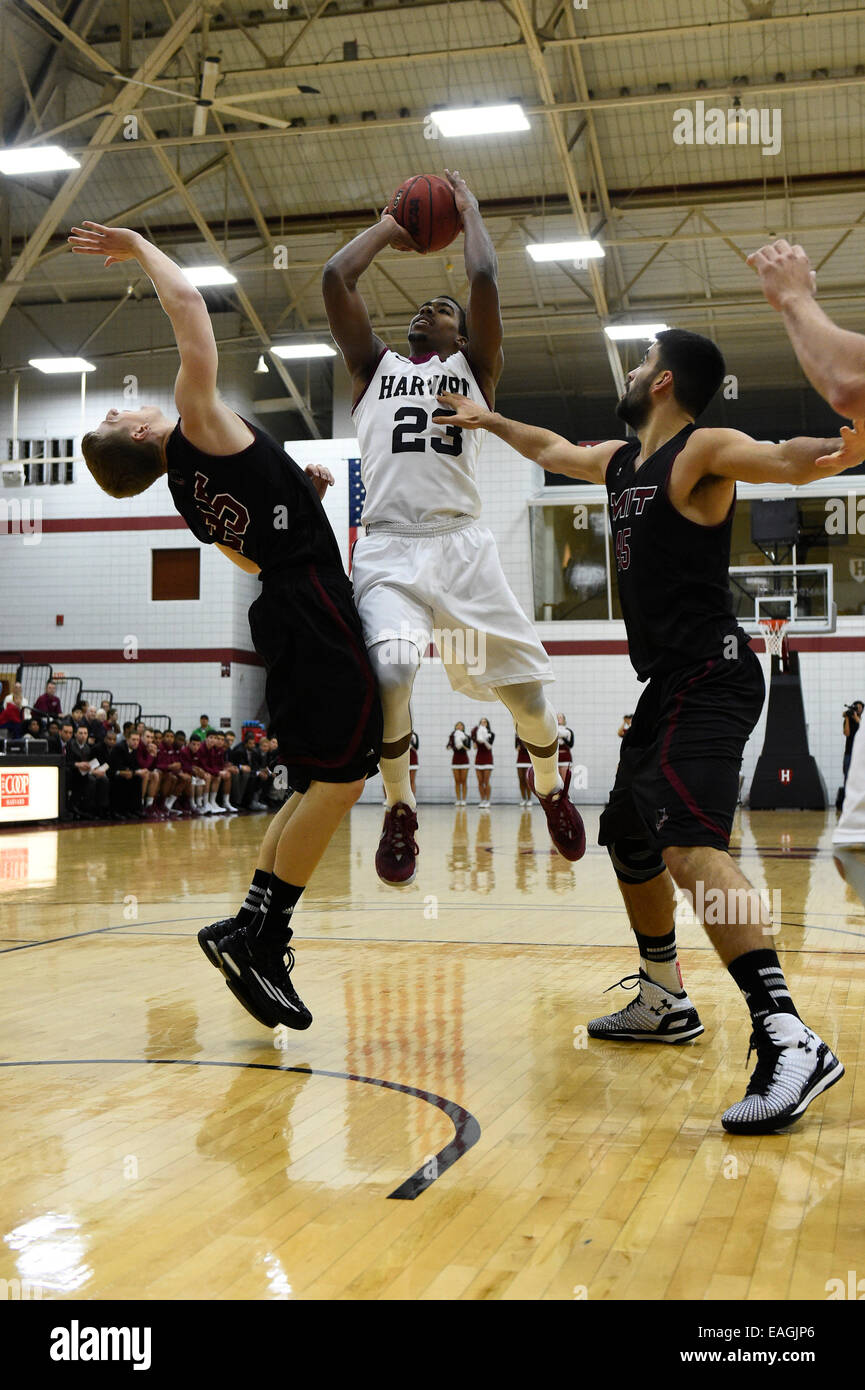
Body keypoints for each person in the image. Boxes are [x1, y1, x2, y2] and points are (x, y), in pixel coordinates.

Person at [434, 325, 864, 1133]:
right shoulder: (620, 462)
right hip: (667, 682)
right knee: (630, 839)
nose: (629, 372)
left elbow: (784, 457)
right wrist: (490, 421)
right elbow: (554, 449)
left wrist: (849, 441)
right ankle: (663, 997)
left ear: (663, 381)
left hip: (711, 671)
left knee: (685, 845)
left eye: (639, 362)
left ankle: (788, 1035)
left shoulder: (703, 449)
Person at [72, 217, 382, 1032]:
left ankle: (255, 925)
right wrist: (138, 245)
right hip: (310, 603)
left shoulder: (186, 487)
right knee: (345, 778)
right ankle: (265, 932)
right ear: (141, 434)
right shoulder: (193, 417)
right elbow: (190, 308)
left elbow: (247, 555)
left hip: (283, 599)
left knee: (319, 781)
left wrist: (301, 504)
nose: (124, 405)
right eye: (117, 414)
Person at [322, 167, 585, 887]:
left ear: (461, 334)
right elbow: (334, 280)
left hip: (462, 545)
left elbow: (484, 279)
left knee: (528, 702)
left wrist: (467, 209)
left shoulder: (476, 368)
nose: (426, 311)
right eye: (422, 308)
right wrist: (387, 225)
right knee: (392, 670)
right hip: (386, 546)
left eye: (440, 308)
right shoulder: (370, 366)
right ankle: (400, 806)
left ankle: (549, 786)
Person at [471, 718, 494, 805]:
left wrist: (483, 739)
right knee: (480, 781)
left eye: (485, 722)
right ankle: (482, 800)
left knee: (486, 781)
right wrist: (475, 739)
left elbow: (489, 747)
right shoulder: (477, 735)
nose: (483, 723)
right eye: (481, 722)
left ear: (487, 724)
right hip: (479, 758)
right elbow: (475, 747)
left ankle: (487, 800)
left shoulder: (491, 734)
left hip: (488, 758)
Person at [447, 722, 470, 806]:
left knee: (463, 781)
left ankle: (463, 799)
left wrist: (461, 744)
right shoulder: (452, 736)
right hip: (455, 760)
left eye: (461, 725)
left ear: (463, 727)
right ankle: (458, 799)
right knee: (457, 781)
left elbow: (468, 748)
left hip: (464, 760)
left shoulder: (467, 737)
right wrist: (451, 746)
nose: (459, 726)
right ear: (455, 727)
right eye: (457, 725)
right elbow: (448, 746)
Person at [515, 735, 531, 807]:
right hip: (520, 759)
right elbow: (517, 747)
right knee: (521, 779)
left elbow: (530, 748)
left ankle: (529, 799)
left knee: (527, 780)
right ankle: (523, 799)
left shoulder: (530, 735)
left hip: (528, 759)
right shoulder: (517, 735)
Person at [408, 730, 419, 800]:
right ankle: (405, 798)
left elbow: (416, 747)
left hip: (413, 758)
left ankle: (412, 798)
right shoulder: (401, 733)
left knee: (412, 780)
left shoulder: (414, 735)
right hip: (404, 759)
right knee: (405, 781)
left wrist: (411, 743)